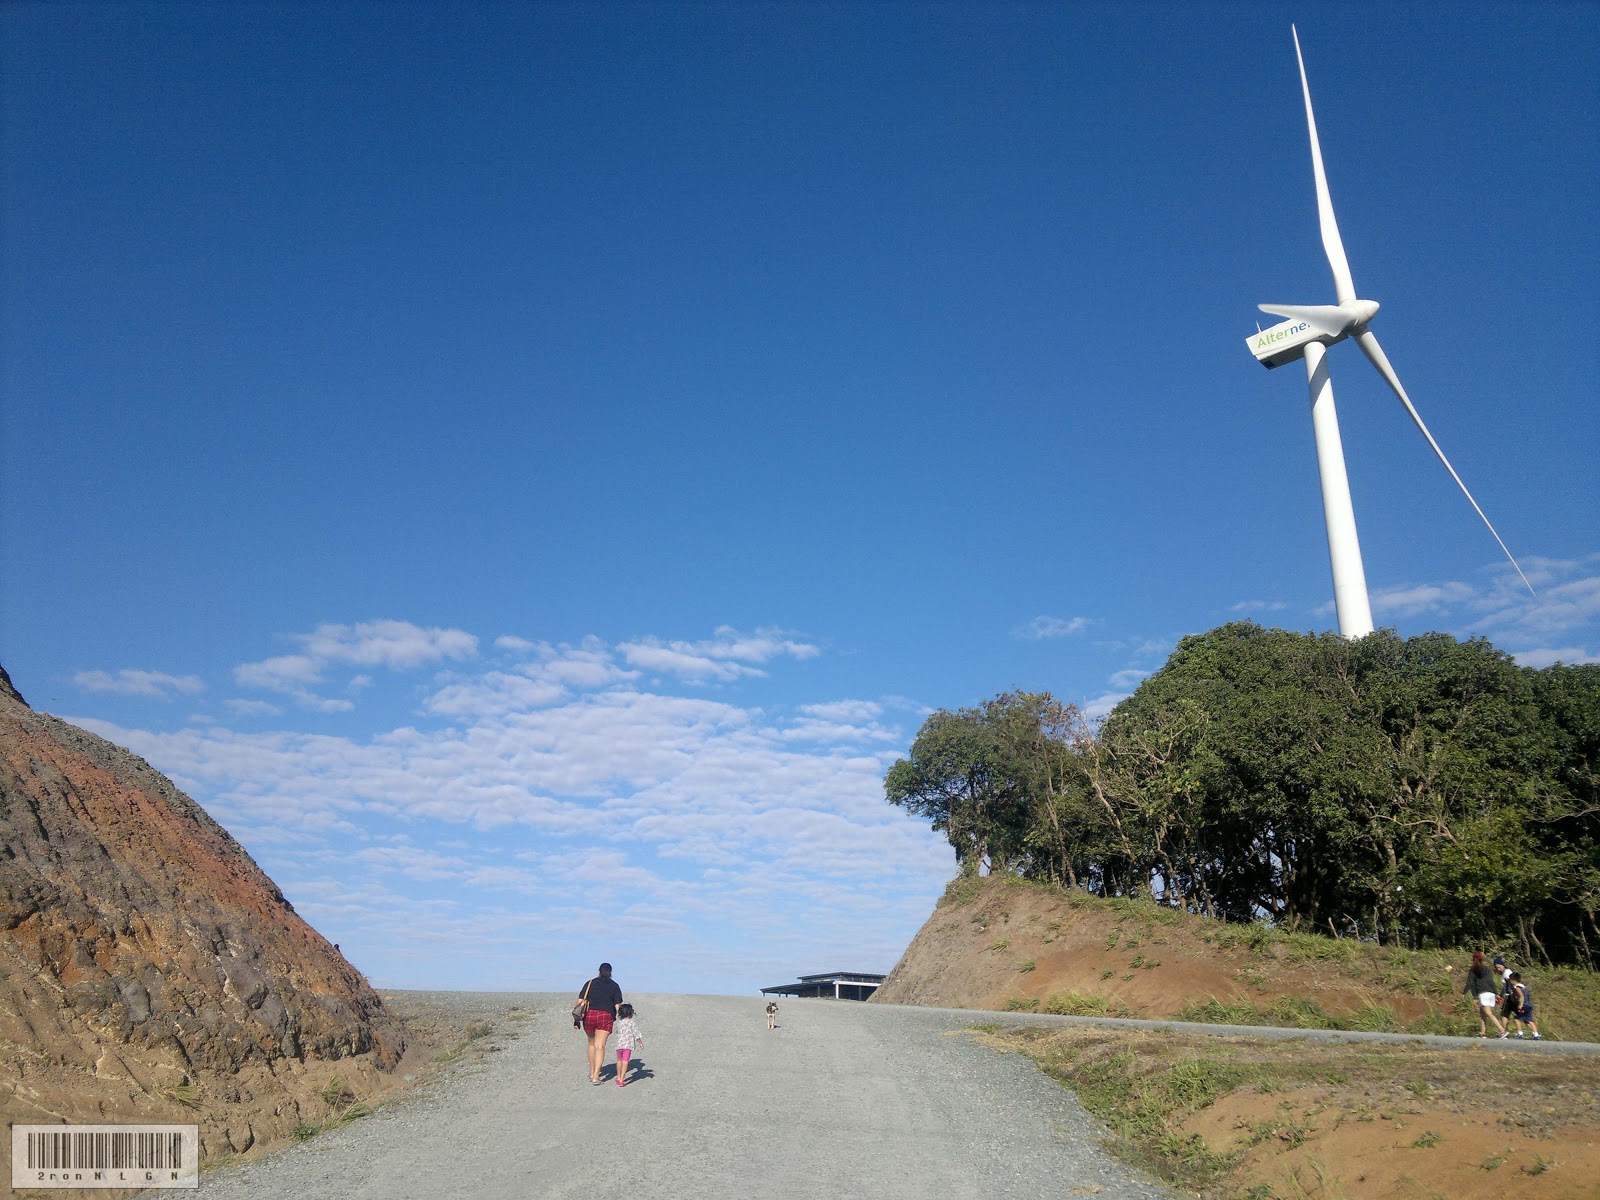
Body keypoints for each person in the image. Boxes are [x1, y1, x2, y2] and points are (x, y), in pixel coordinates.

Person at [578, 962, 623, 1084]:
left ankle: (592, 1072)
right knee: (600, 1046)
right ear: (611, 972)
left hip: (589, 1016)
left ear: (598, 971)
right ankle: (596, 1076)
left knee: (591, 1044)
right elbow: (618, 1006)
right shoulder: (615, 986)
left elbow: (580, 1001)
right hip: (606, 1016)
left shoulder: (590, 983)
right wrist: (625, 1019)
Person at [1462, 950, 1504, 1037]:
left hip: (1483, 993)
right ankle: (1483, 1033)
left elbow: (1470, 983)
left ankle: (1502, 1030)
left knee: (1488, 1013)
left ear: (1473, 959)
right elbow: (1491, 982)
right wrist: (1496, 994)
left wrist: (1464, 993)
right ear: (1482, 959)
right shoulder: (1487, 970)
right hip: (1491, 993)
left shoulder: (1473, 970)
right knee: (1482, 1013)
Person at [1504, 972, 1542, 1040]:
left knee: (1516, 1018)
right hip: (1529, 1004)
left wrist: (1520, 1004)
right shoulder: (1523, 987)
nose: (1509, 981)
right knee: (1529, 1020)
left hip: (1524, 1005)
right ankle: (1536, 1034)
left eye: (1510, 980)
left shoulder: (1517, 987)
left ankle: (1520, 1033)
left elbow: (1521, 996)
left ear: (1514, 981)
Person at [613, 1003, 643, 1087]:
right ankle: (622, 1079)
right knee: (625, 1062)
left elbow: (617, 1032)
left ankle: (618, 1077)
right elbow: (636, 1034)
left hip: (619, 1045)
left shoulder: (620, 1023)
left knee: (619, 1061)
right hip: (628, 1046)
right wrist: (640, 1043)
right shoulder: (631, 1023)